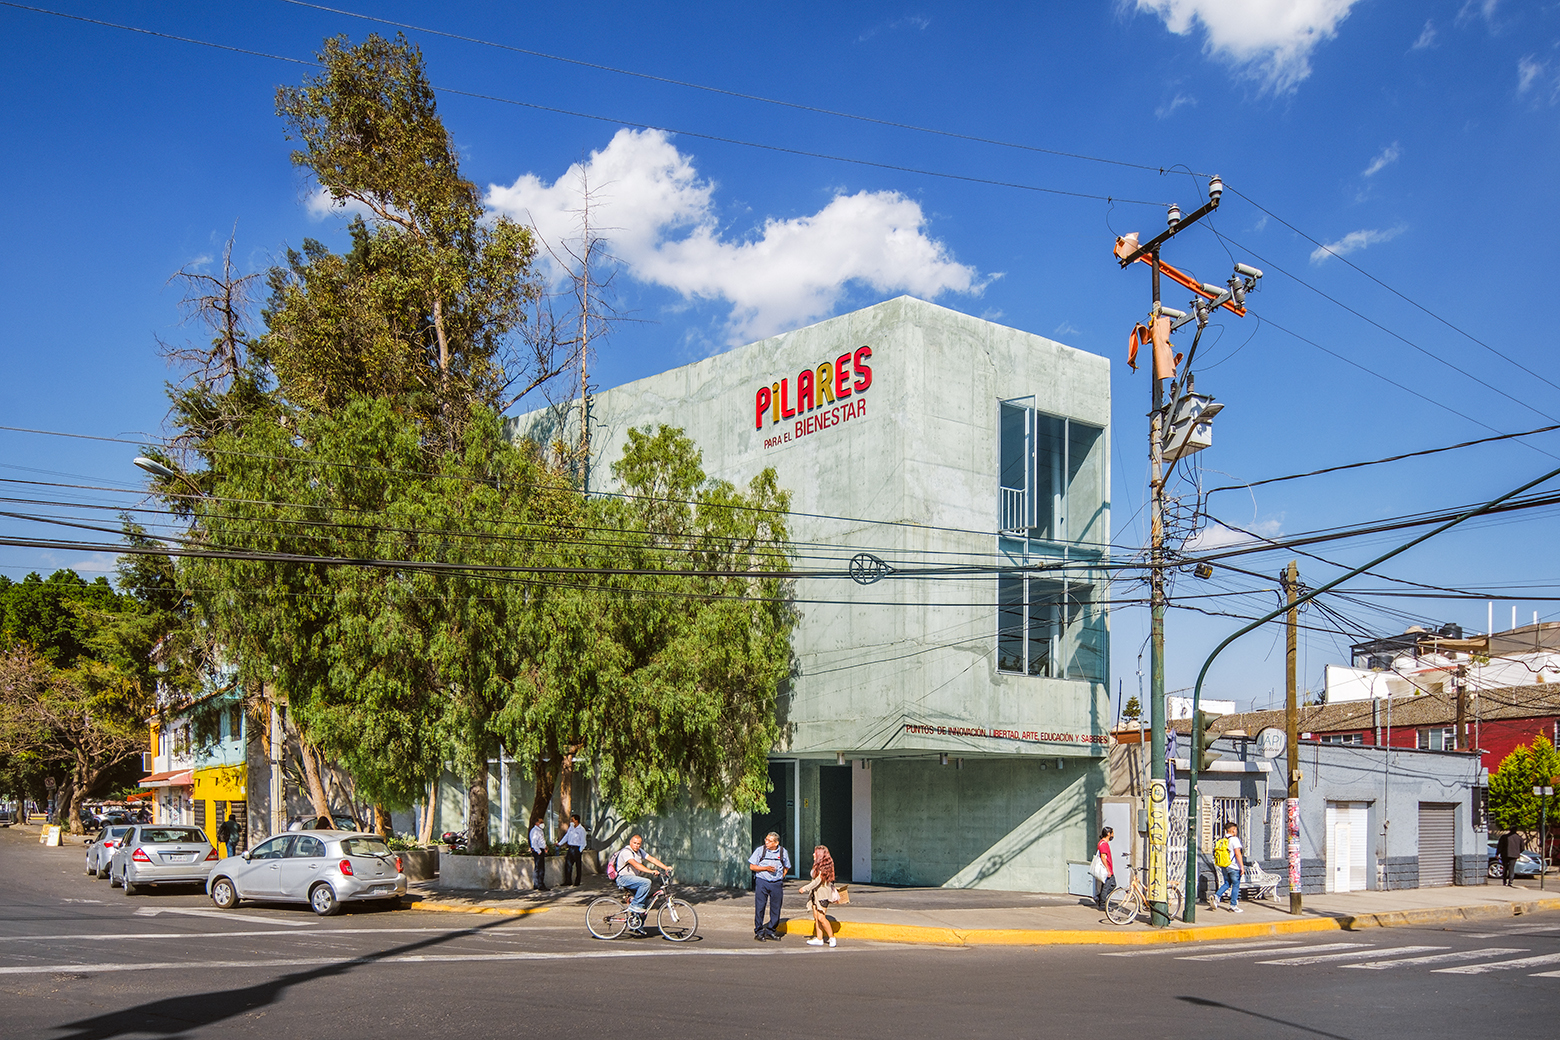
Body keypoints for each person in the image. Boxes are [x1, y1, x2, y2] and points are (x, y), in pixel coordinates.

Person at [614, 834, 672, 929]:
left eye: (639, 844)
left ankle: (637, 925)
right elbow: (636, 865)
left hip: (634, 880)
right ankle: (634, 905)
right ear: (630, 842)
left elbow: (652, 859)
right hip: (623, 878)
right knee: (646, 882)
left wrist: (666, 868)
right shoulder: (626, 852)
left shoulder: (639, 851)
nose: (636, 845)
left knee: (646, 903)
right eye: (635, 843)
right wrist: (651, 871)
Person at [748, 831, 791, 941]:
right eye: (766, 840)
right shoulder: (760, 851)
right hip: (762, 881)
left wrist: (781, 876)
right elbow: (752, 867)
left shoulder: (782, 852)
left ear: (776, 843)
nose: (766, 842)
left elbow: (787, 866)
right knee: (760, 907)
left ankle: (771, 931)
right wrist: (765, 868)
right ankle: (759, 931)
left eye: (769, 841)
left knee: (776, 907)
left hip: (776, 883)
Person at [798, 845, 839, 948]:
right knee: (816, 917)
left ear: (820, 855)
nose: (813, 854)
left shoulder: (823, 868)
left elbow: (817, 881)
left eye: (815, 852)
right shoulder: (817, 865)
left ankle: (832, 937)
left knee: (821, 917)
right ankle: (819, 938)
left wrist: (805, 888)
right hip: (815, 895)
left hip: (822, 896)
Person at [1212, 821, 1245, 912]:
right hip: (1234, 866)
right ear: (1233, 830)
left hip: (1224, 865)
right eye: (1236, 830)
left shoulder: (1223, 840)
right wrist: (1242, 866)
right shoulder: (1234, 839)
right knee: (1235, 885)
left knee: (1227, 883)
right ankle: (1233, 906)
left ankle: (1216, 896)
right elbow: (1237, 853)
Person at [560, 813, 587, 886]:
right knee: (568, 865)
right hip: (571, 847)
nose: (571, 821)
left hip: (577, 848)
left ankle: (577, 881)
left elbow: (583, 841)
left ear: (576, 821)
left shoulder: (581, 830)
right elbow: (566, 836)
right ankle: (568, 881)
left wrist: (580, 850)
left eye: (572, 820)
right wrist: (560, 843)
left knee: (578, 866)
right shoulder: (571, 828)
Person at [1094, 826, 1116, 912]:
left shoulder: (1103, 843)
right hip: (1107, 869)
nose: (1113, 835)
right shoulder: (1103, 844)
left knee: (1111, 885)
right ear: (1108, 834)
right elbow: (1103, 858)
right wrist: (1108, 870)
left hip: (1109, 869)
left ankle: (1099, 897)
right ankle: (1102, 903)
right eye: (1112, 833)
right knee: (1108, 886)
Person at [528, 816, 550, 891]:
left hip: (541, 850)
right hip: (538, 851)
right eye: (541, 822)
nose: (542, 824)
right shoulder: (534, 831)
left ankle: (538, 883)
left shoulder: (540, 830)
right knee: (539, 868)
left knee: (540, 868)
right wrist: (539, 851)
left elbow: (541, 840)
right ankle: (539, 884)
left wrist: (545, 847)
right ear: (536, 823)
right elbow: (534, 843)